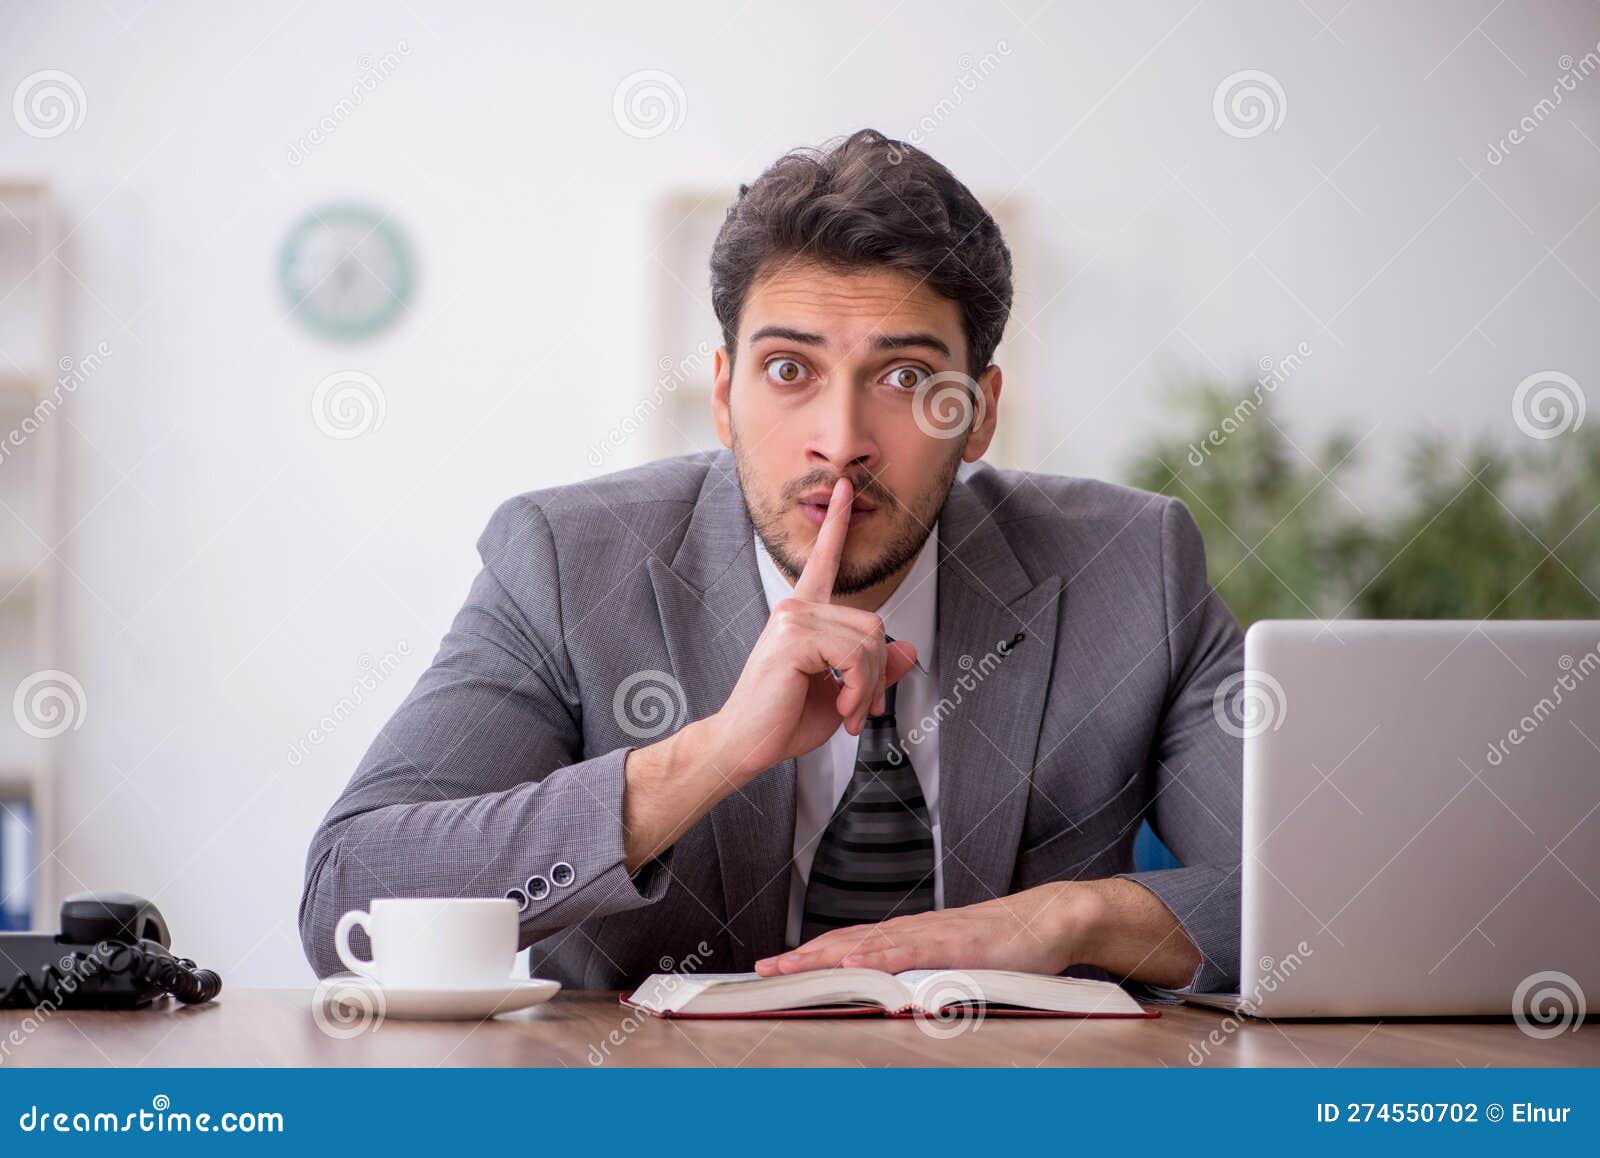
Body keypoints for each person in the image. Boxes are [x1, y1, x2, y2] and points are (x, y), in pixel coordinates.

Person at [299, 128, 1243, 995]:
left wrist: (1073, 916)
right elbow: (352, 895)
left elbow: (1328, 903)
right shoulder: (564, 563)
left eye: (907, 378)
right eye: (789, 370)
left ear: (980, 413)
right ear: (723, 395)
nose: (841, 441)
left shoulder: (1134, 565)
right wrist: (707, 756)